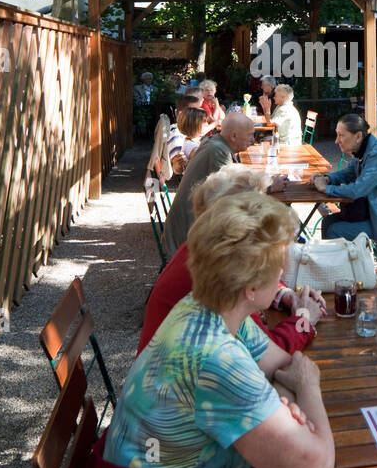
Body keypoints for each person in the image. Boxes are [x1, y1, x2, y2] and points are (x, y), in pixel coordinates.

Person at [97, 192, 335, 468]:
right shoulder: (217, 359)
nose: (283, 274)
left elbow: (278, 364)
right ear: (249, 288)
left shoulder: (206, 306)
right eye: (279, 265)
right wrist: (308, 386)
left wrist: (278, 402)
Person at [139, 166, 325, 355]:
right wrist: (305, 319)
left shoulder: (207, 249)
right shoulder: (223, 277)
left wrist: (285, 295)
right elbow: (271, 354)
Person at [161, 111, 257, 254]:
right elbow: (232, 194)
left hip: (190, 226)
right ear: (234, 136)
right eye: (250, 134)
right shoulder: (218, 151)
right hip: (187, 238)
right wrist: (266, 186)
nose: (253, 140)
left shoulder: (215, 143)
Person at [314, 114, 377, 243]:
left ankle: (345, 262)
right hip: (375, 213)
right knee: (328, 221)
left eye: (341, 135)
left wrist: (326, 188)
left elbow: (358, 190)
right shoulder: (364, 149)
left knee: (335, 230)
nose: (336, 140)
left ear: (358, 136)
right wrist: (326, 178)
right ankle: (337, 262)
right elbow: (348, 173)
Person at [268, 82, 303, 147]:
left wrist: (266, 108)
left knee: (261, 142)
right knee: (263, 141)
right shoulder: (281, 106)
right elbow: (270, 119)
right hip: (288, 141)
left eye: (275, 96)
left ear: (282, 97)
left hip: (288, 144)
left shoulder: (284, 109)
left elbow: (269, 124)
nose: (273, 97)